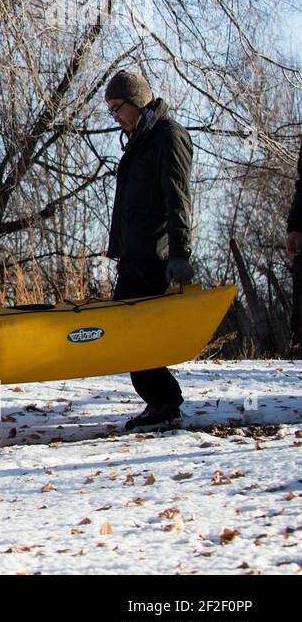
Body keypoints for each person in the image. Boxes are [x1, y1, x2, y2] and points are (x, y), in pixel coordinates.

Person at [104, 70, 194, 430]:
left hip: (154, 258)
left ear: (137, 101)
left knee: (134, 336)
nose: (115, 117)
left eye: (117, 108)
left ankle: (164, 402)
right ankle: (162, 401)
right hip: (132, 256)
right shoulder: (139, 140)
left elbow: (177, 198)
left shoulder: (168, 137)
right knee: (126, 334)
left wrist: (180, 255)